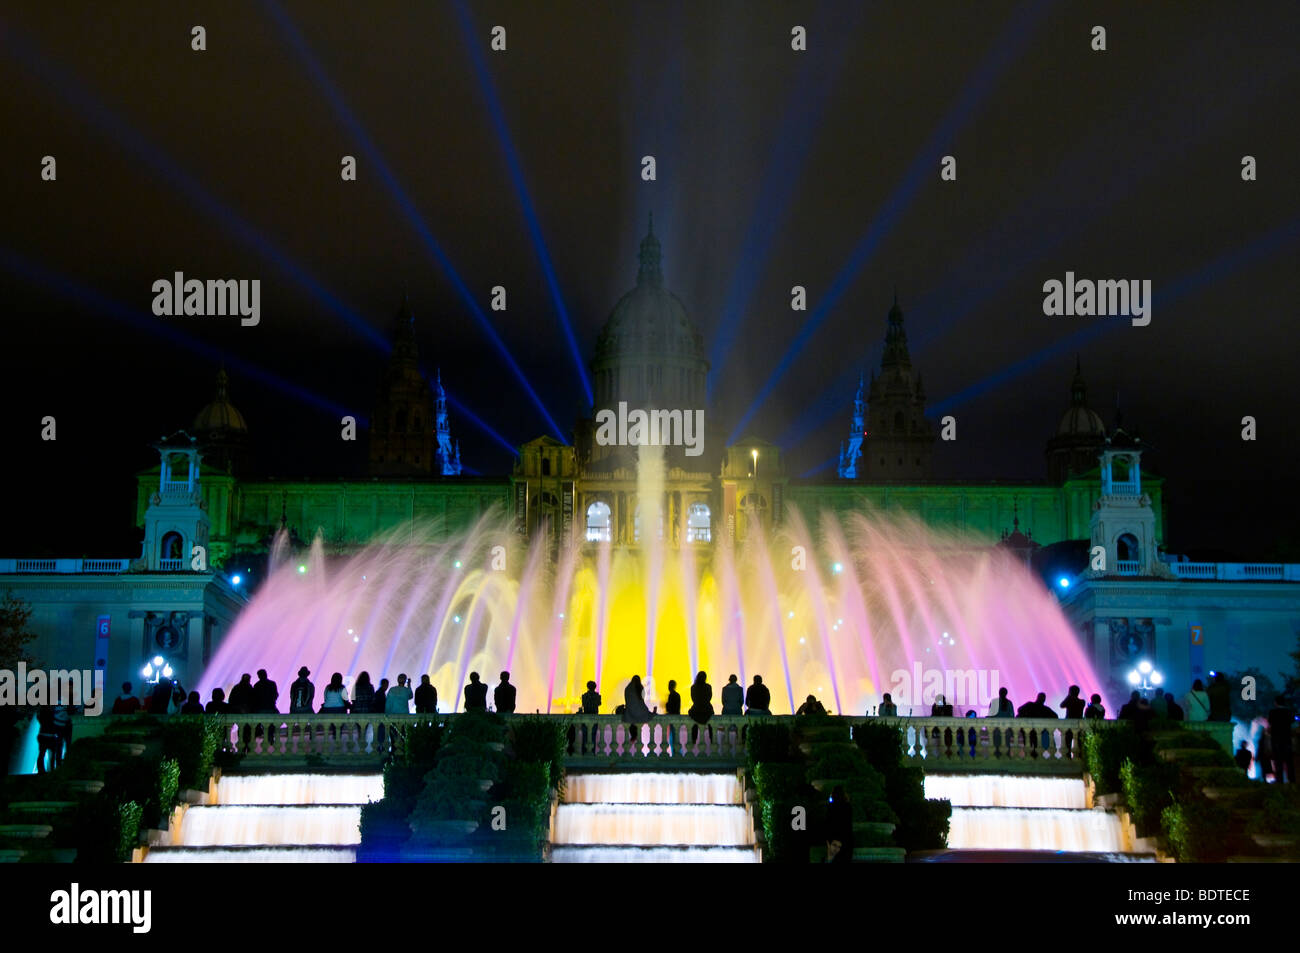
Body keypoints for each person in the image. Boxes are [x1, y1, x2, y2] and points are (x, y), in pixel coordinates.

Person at [1266, 696, 1296, 783]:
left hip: (1276, 740)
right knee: (1289, 762)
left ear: (1276, 703)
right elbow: (1292, 724)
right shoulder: (1289, 712)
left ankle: (1279, 781)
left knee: (1278, 762)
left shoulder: (1272, 712)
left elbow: (1270, 725)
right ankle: (1292, 781)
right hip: (1286, 740)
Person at [622, 675, 654, 750]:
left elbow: (627, 700)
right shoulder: (640, 687)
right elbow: (642, 699)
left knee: (631, 718)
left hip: (630, 712)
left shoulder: (628, 688)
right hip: (640, 711)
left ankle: (633, 735)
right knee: (646, 714)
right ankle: (635, 735)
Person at [825, 785, 853, 864]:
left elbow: (828, 823)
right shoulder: (848, 806)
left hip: (834, 837)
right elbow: (848, 823)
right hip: (846, 837)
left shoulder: (831, 807)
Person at [689, 672, 714, 747]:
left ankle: (694, 738)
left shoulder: (693, 687)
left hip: (696, 709)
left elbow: (693, 699)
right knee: (711, 722)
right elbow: (709, 697)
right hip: (707, 709)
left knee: (694, 721)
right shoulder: (708, 687)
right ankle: (711, 738)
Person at [579, 680, 601, 754]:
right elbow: (599, 703)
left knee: (585, 735)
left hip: (586, 716)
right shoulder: (597, 696)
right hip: (594, 716)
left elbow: (583, 704)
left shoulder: (584, 696)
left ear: (587, 687)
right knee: (593, 735)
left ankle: (584, 751)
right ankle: (592, 751)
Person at [663, 680, 681, 755]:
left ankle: (675, 753)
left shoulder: (672, 695)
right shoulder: (677, 695)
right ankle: (675, 753)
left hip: (673, 718)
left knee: (673, 737)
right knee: (674, 737)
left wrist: (667, 705)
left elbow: (670, 708)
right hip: (676, 717)